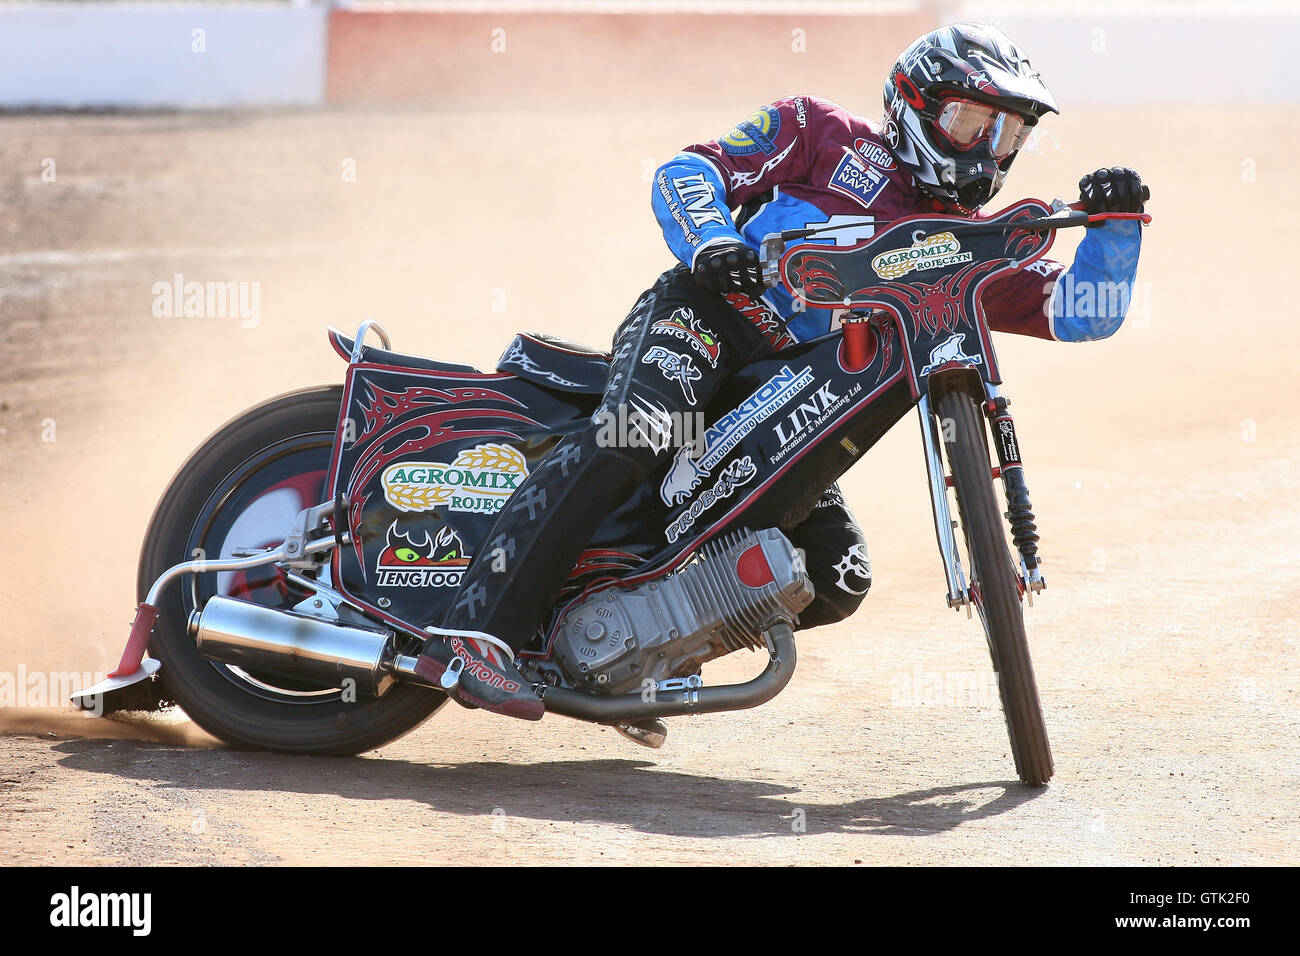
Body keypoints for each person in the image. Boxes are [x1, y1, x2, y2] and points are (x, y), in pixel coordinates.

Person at [412, 22, 1148, 720]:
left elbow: (1082, 310)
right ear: (913, 106)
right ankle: (472, 636)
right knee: (640, 430)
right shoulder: (819, 130)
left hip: (788, 396)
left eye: (1008, 132)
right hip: (710, 314)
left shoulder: (967, 245)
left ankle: (633, 654)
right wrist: (710, 241)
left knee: (837, 574)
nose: (987, 147)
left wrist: (1116, 227)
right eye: (969, 121)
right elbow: (688, 170)